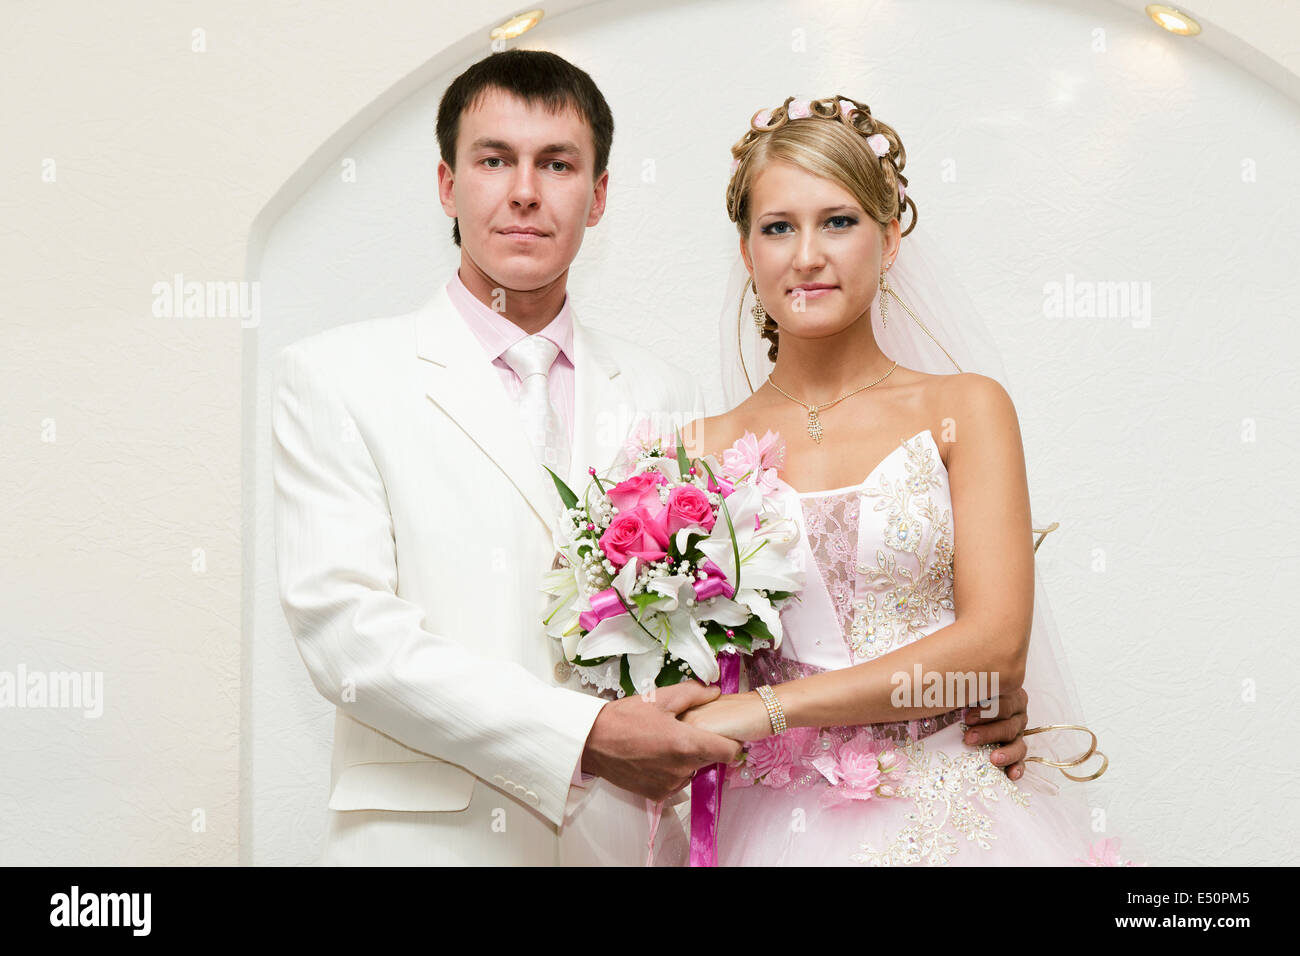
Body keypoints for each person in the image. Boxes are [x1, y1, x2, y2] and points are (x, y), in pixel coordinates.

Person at [272, 52, 1032, 867]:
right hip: (434, 845)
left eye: (557, 164)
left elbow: (730, 637)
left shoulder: (668, 403)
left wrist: (950, 701)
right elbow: (352, 641)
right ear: (446, 184)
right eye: (494, 160)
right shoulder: (339, 377)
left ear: (597, 196)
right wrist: (587, 734)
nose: (524, 191)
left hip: (635, 843)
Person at [676, 94, 1112, 865]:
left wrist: (761, 709)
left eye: (838, 221)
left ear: (891, 238)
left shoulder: (964, 409)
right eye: (778, 227)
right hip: (771, 828)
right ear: (746, 252)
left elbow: (994, 648)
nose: (807, 255)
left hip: (949, 816)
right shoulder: (692, 459)